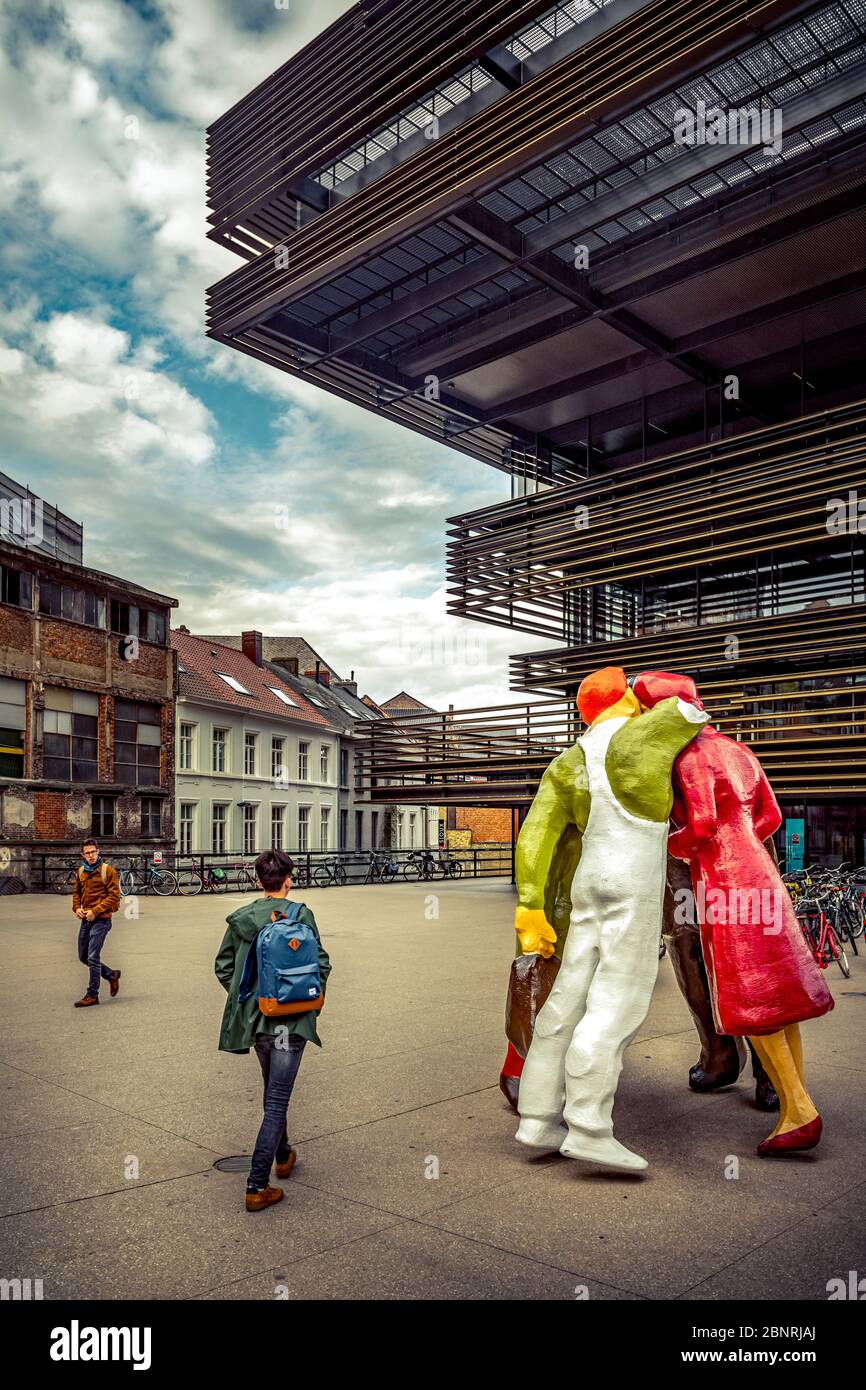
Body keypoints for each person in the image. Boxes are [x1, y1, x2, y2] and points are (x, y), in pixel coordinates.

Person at [515, 665, 708, 1172]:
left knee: (565, 1001)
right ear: (624, 698)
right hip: (631, 887)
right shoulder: (646, 731)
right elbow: (689, 705)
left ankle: (537, 1117)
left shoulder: (567, 761)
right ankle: (590, 1126)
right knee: (616, 1003)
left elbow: (535, 834)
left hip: (589, 884)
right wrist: (648, 696)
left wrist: (530, 904)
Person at [636, 670, 833, 1156]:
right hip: (760, 869)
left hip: (723, 877)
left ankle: (802, 1110)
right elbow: (770, 817)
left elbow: (700, 825)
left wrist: (671, 842)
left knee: (751, 991)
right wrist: (740, 834)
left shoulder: (687, 757)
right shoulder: (739, 749)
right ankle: (787, 1101)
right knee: (779, 988)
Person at [214, 847, 332, 1212]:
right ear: (289, 880)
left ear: (258, 880)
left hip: (261, 1021)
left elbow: (223, 968)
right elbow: (322, 963)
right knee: (277, 1099)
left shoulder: (243, 918)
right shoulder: (302, 914)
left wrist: (252, 997)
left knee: (273, 1093)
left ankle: (283, 1154)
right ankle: (256, 1185)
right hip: (294, 1021)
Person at [71, 838, 121, 1007]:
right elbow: (76, 892)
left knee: (93, 956)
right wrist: (77, 907)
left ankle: (92, 995)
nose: (91, 855)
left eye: (93, 852)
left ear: (98, 851)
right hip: (86, 919)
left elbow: (114, 896)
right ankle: (111, 975)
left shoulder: (108, 871)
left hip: (102, 920)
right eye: (87, 853)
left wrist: (95, 910)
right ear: (82, 855)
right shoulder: (80, 872)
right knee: (83, 956)